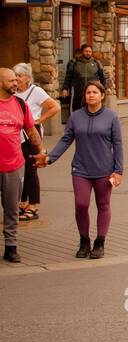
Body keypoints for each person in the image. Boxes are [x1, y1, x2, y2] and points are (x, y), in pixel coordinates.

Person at [37, 79, 123, 259]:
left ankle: (100, 243)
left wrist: (118, 170)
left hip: (104, 169)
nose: (91, 95)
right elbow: (66, 139)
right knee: (81, 204)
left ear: (102, 95)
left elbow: (118, 144)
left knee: (103, 205)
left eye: (95, 92)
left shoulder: (111, 117)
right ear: (84, 96)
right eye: (88, 93)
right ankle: (84, 241)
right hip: (81, 169)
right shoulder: (76, 116)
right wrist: (50, 157)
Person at [1, 66, 45, 263]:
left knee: (12, 209)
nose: (15, 83)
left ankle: (11, 247)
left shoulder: (19, 104)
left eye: (16, 80)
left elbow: (31, 130)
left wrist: (41, 151)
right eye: (11, 80)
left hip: (13, 165)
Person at [14, 62, 61, 222]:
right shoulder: (12, 92)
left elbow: (55, 107)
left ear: (27, 78)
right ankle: (23, 201)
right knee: (21, 170)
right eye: (15, 76)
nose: (16, 79)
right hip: (15, 136)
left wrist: (39, 120)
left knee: (31, 169)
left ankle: (33, 205)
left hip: (31, 137)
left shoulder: (36, 91)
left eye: (19, 76)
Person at [60, 43, 106, 113]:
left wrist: (104, 89)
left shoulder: (97, 63)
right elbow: (68, 77)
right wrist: (65, 88)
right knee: (77, 110)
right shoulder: (74, 63)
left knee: (92, 108)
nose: (88, 53)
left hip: (92, 92)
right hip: (78, 91)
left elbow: (102, 77)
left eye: (90, 51)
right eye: (86, 51)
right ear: (82, 52)